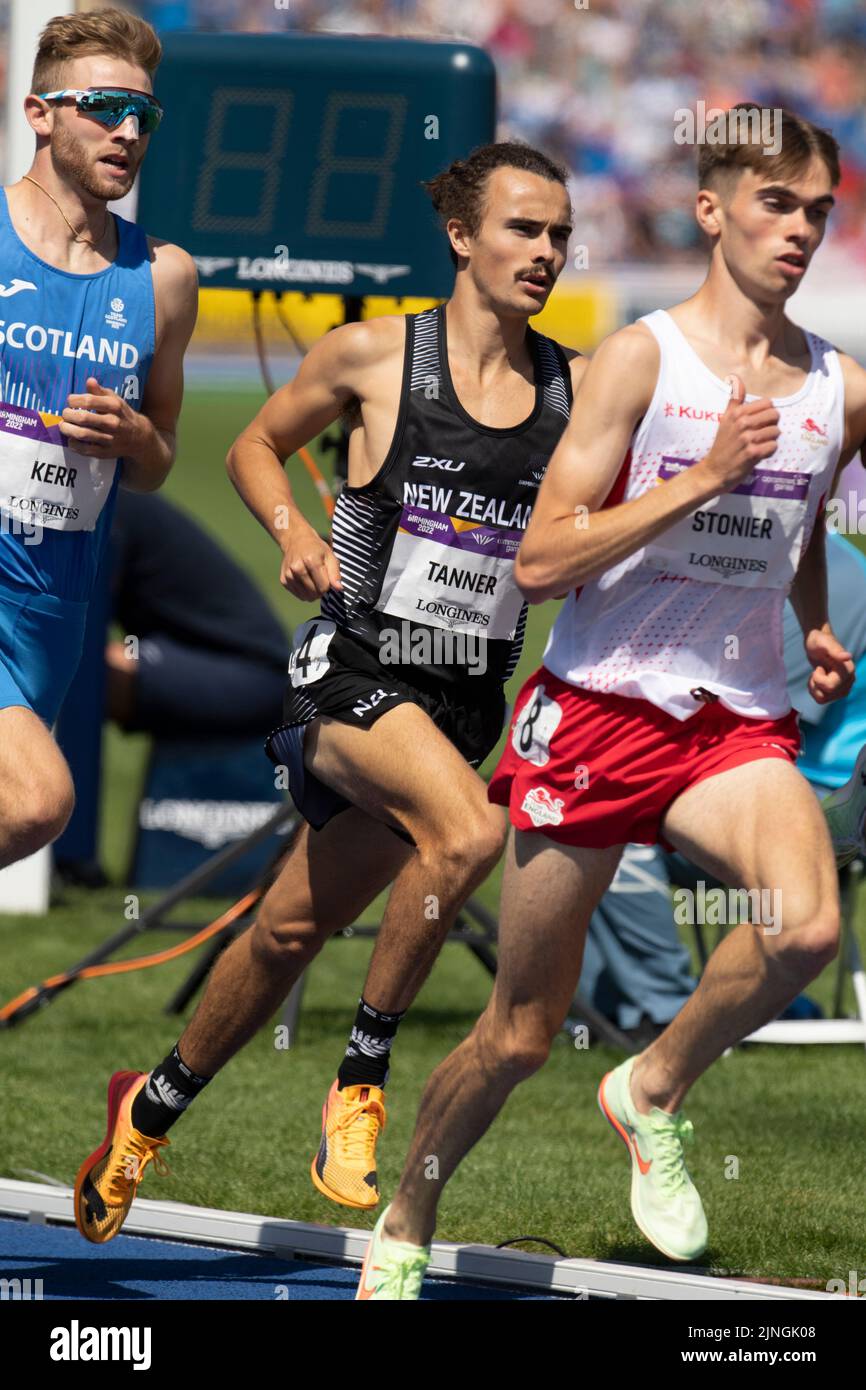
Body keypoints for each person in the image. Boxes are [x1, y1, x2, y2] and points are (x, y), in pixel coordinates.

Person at [356, 105, 866, 1298]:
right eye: (774, 204)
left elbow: (791, 520)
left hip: (733, 719)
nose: (796, 231)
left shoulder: (835, 387)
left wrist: (810, 622)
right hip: (594, 713)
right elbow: (540, 562)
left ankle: (650, 1085)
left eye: (816, 212)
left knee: (803, 927)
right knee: (519, 1032)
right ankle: (408, 1210)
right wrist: (699, 478)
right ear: (709, 210)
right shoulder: (641, 359)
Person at [74, 141, 586, 1242]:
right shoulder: (370, 357)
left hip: (458, 703)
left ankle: (145, 1112)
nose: (545, 251)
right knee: (464, 834)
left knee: (281, 932)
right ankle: (358, 1083)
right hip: (351, 667)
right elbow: (254, 447)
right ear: (461, 237)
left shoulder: (571, 390)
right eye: (522, 229)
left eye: (558, 234)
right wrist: (292, 527)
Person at [0, 8, 198, 875]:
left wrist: (135, 434)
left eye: (144, 115)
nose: (128, 131)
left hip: (55, 606)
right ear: (39, 112)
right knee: (40, 800)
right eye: (104, 107)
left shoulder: (164, 277)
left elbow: (159, 465)